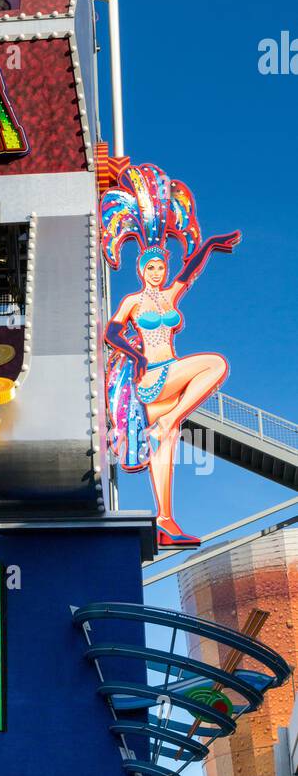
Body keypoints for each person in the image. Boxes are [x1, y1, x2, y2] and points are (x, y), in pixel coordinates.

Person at [101, 163, 240, 548]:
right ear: (142, 269)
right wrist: (134, 352)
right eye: (152, 266)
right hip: (152, 376)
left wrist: (209, 245)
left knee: (168, 440)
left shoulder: (170, 295)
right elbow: (112, 331)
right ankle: (172, 418)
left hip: (168, 380)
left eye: (162, 265)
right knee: (215, 364)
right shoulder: (132, 300)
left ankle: (166, 520)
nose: (159, 271)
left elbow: (190, 270)